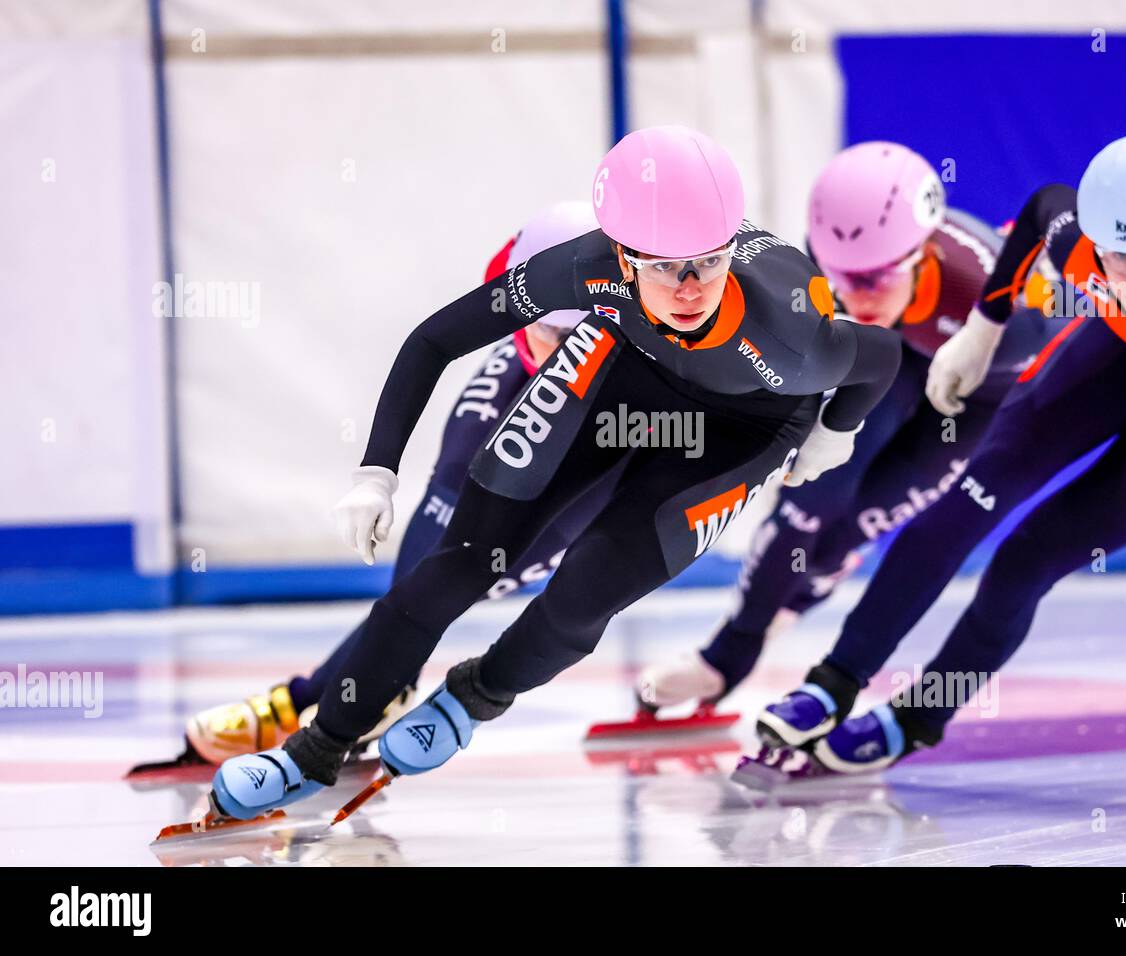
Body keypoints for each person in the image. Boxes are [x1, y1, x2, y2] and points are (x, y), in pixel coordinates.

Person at [204, 125, 903, 820]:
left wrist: (831, 433)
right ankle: (311, 753)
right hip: (628, 368)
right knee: (453, 567)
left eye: (709, 262)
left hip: (744, 422)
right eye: (664, 266)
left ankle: (476, 696)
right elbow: (434, 340)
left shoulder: (792, 334)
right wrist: (376, 471)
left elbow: (883, 357)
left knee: (586, 592)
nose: (691, 289)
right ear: (622, 256)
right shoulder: (582, 267)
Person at [754, 133, 1126, 775]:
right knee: (962, 506)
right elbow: (1045, 208)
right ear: (1098, 248)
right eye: (1123, 261)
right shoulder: (1086, 254)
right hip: (1124, 352)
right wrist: (984, 332)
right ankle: (834, 681)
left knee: (1025, 562)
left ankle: (917, 718)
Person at [138, 202, 611, 773]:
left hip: (612, 436)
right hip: (525, 426)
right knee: (433, 572)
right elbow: (425, 562)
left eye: (575, 333)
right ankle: (339, 690)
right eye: (543, 330)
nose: (558, 351)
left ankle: (330, 691)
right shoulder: (503, 369)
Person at [633, 142, 1059, 717]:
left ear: (923, 254)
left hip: (974, 388)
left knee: (859, 520)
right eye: (842, 277)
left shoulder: (1002, 311)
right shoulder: (829, 258)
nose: (857, 295)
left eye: (877, 278)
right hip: (888, 355)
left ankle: (798, 600)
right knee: (811, 496)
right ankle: (726, 654)